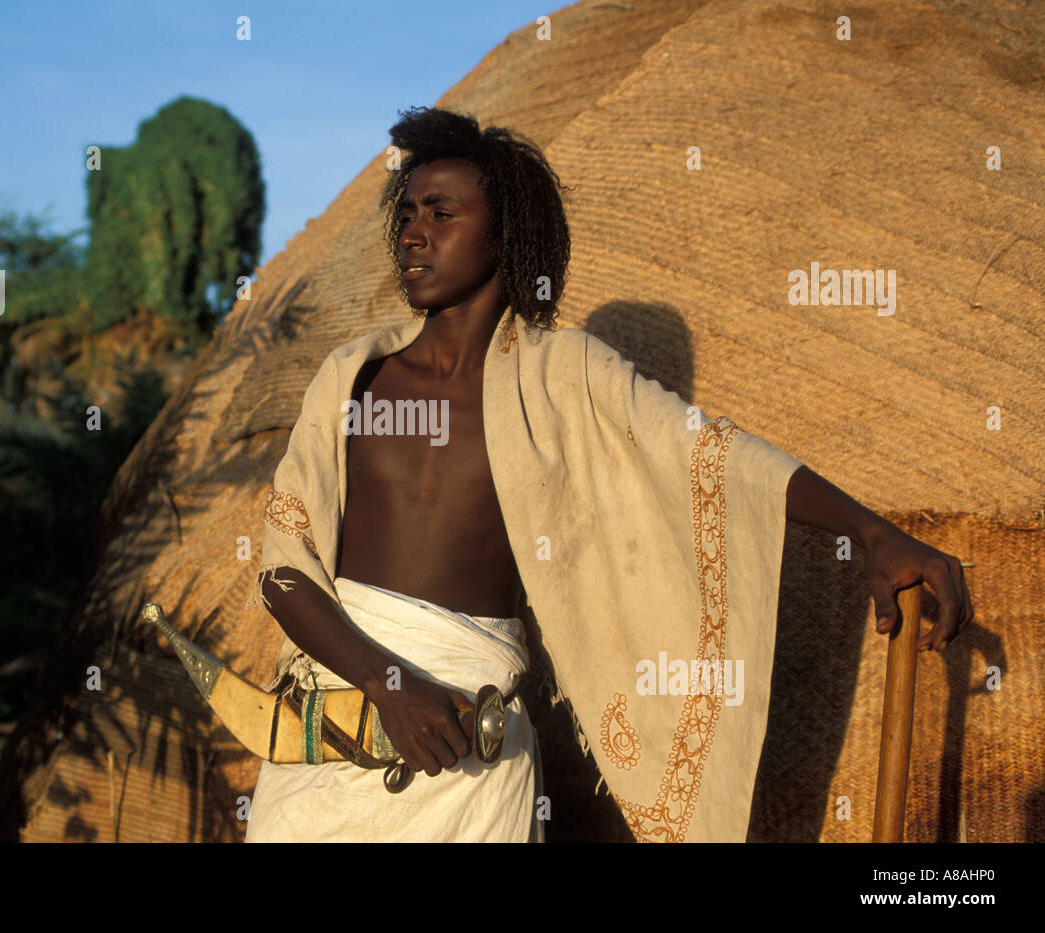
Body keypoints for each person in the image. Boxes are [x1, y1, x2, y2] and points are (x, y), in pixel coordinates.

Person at [242, 106, 974, 843]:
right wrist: (389, 686)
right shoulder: (353, 380)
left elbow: (714, 457)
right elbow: (283, 567)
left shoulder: (565, 377)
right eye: (406, 213)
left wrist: (872, 532)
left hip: (470, 763)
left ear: (505, 234)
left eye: (441, 212)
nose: (412, 232)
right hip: (330, 744)